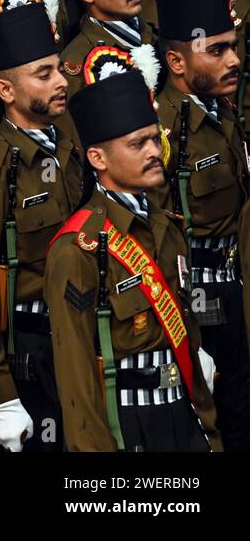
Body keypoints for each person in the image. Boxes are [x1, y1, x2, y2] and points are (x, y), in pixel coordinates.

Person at [47, 70, 218, 452]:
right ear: (98, 158)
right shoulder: (77, 248)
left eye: (154, 139)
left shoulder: (166, 226)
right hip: (126, 427)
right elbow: (76, 379)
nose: (154, 151)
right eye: (137, 144)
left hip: (183, 416)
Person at [0, 1, 81, 452]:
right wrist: (0, 396)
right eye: (43, 74)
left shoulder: (68, 147)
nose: (62, 82)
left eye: (59, 69)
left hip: (80, 345)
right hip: (29, 358)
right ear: (6, 89)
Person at [154, 0, 250, 451]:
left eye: (232, 47)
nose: (233, 60)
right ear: (177, 62)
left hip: (239, 282)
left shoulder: (225, 110)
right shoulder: (162, 132)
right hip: (197, 295)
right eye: (217, 51)